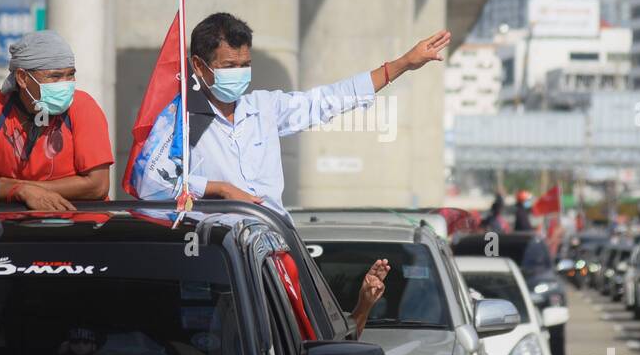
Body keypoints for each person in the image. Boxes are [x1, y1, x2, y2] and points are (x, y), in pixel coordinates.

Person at [140, 12, 450, 215]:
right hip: (216, 256)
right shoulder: (180, 119)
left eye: (244, 65)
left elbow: (327, 101)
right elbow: (149, 182)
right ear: (199, 65)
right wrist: (217, 188)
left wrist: (403, 64)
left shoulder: (264, 107)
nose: (239, 73)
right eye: (228, 67)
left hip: (272, 247)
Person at [0, 30, 113, 211]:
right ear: (22, 78)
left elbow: (98, 186)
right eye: (55, 76)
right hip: (12, 229)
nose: (66, 83)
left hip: (78, 227)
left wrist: (26, 189)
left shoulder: (83, 106)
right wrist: (20, 190)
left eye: (70, 75)